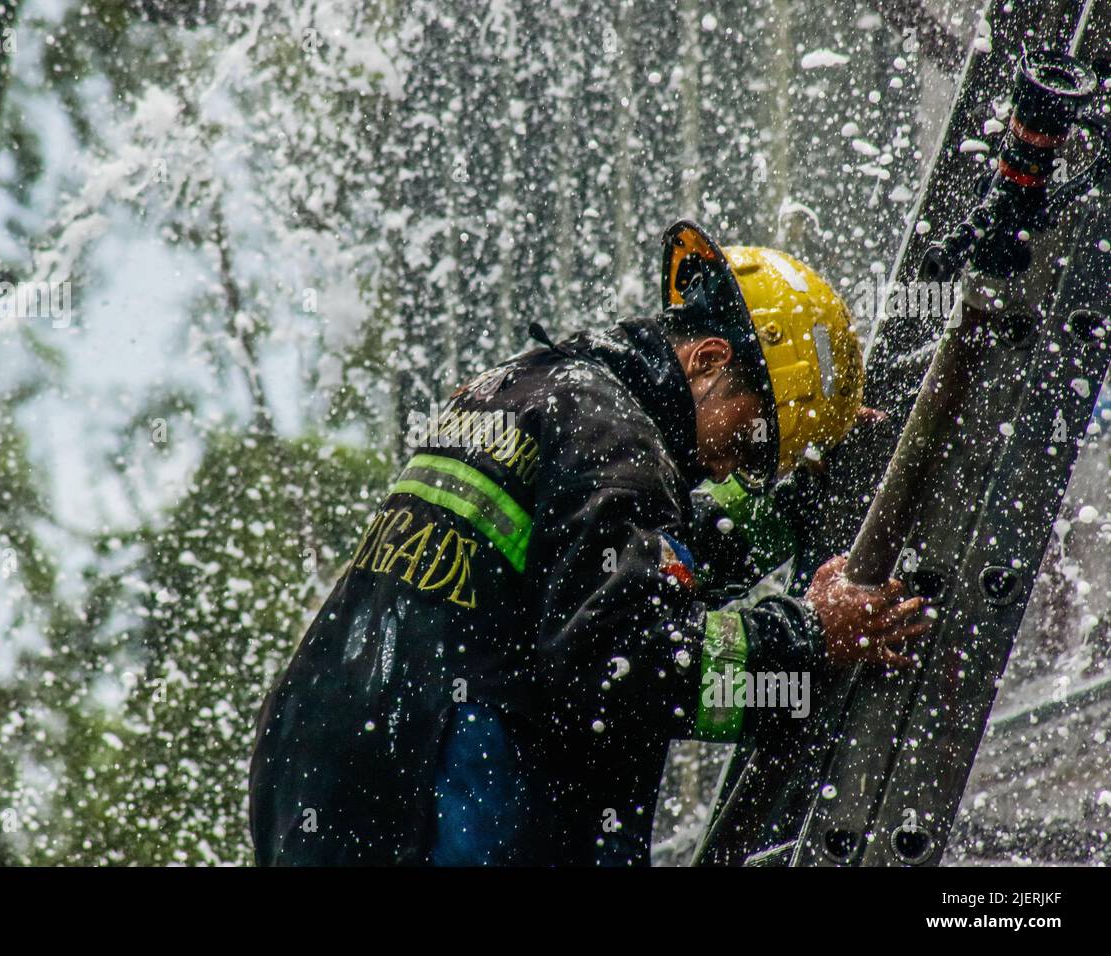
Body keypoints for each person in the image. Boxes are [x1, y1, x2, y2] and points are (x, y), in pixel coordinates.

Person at [249, 219, 931, 866]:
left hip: (329, 773)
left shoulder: (534, 389)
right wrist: (811, 640)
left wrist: (792, 502)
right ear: (710, 358)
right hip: (437, 795)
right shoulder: (614, 436)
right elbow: (622, 667)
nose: (734, 470)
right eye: (753, 444)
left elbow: (618, 569)